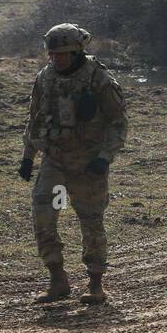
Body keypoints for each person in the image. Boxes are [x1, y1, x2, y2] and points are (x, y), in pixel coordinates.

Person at [19, 24, 127, 305]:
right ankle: (57, 279)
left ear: (78, 52)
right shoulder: (45, 78)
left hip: (88, 162)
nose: (57, 60)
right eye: (52, 55)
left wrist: (104, 158)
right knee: (43, 217)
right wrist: (28, 156)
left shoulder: (99, 79)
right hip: (54, 160)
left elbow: (118, 123)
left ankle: (95, 283)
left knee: (90, 221)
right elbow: (35, 119)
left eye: (63, 54)